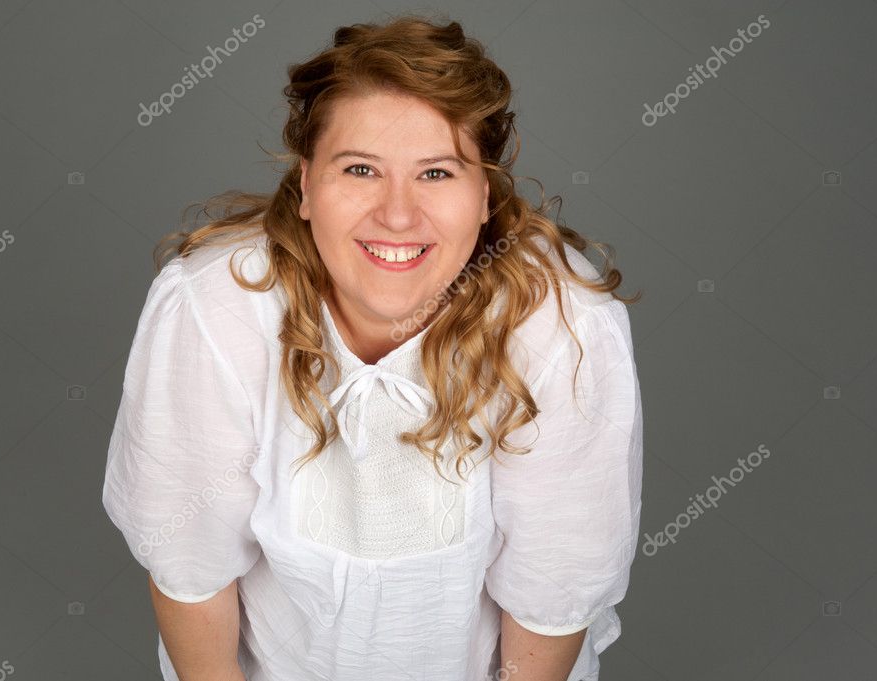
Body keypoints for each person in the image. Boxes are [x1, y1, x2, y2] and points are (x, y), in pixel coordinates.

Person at [102, 14, 643, 681]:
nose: (396, 214)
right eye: (359, 168)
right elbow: (188, 562)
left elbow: (554, 587)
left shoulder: (562, 321)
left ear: (484, 196)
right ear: (306, 185)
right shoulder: (214, 305)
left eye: (437, 174)